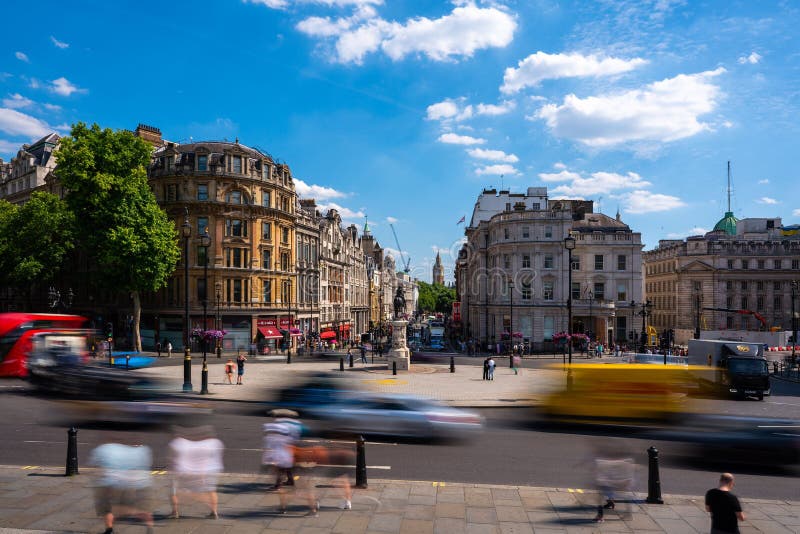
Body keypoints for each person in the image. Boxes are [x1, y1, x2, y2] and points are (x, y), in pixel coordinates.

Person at [89, 442, 155, 534]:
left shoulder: (105, 448)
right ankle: (150, 528)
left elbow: (97, 466)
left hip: (112, 482)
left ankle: (109, 530)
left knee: (107, 508)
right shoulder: (144, 450)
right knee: (139, 508)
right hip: (141, 483)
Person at [168, 426, 224, 520]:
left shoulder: (176, 444)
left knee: (174, 491)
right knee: (212, 491)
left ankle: (175, 512)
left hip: (180, 470)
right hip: (213, 470)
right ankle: (214, 512)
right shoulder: (217, 443)